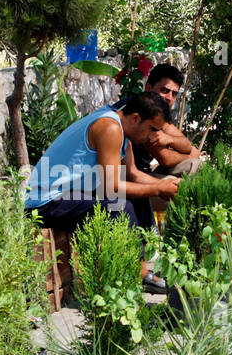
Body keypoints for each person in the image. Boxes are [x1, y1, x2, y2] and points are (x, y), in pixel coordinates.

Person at [25, 91, 179, 285]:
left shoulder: (124, 130)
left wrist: (169, 184)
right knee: (119, 206)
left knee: (139, 196)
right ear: (135, 118)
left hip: (70, 195)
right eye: (152, 129)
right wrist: (159, 189)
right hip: (45, 202)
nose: (153, 136)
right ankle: (139, 274)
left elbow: (133, 174)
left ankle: (151, 254)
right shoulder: (110, 128)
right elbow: (111, 188)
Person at [112, 62, 202, 178]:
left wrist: (170, 139)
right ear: (148, 88)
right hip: (124, 177)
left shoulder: (158, 111)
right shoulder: (141, 111)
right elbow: (166, 159)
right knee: (188, 169)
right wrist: (190, 156)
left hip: (139, 172)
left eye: (174, 94)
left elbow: (187, 145)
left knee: (192, 166)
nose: (169, 98)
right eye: (164, 90)